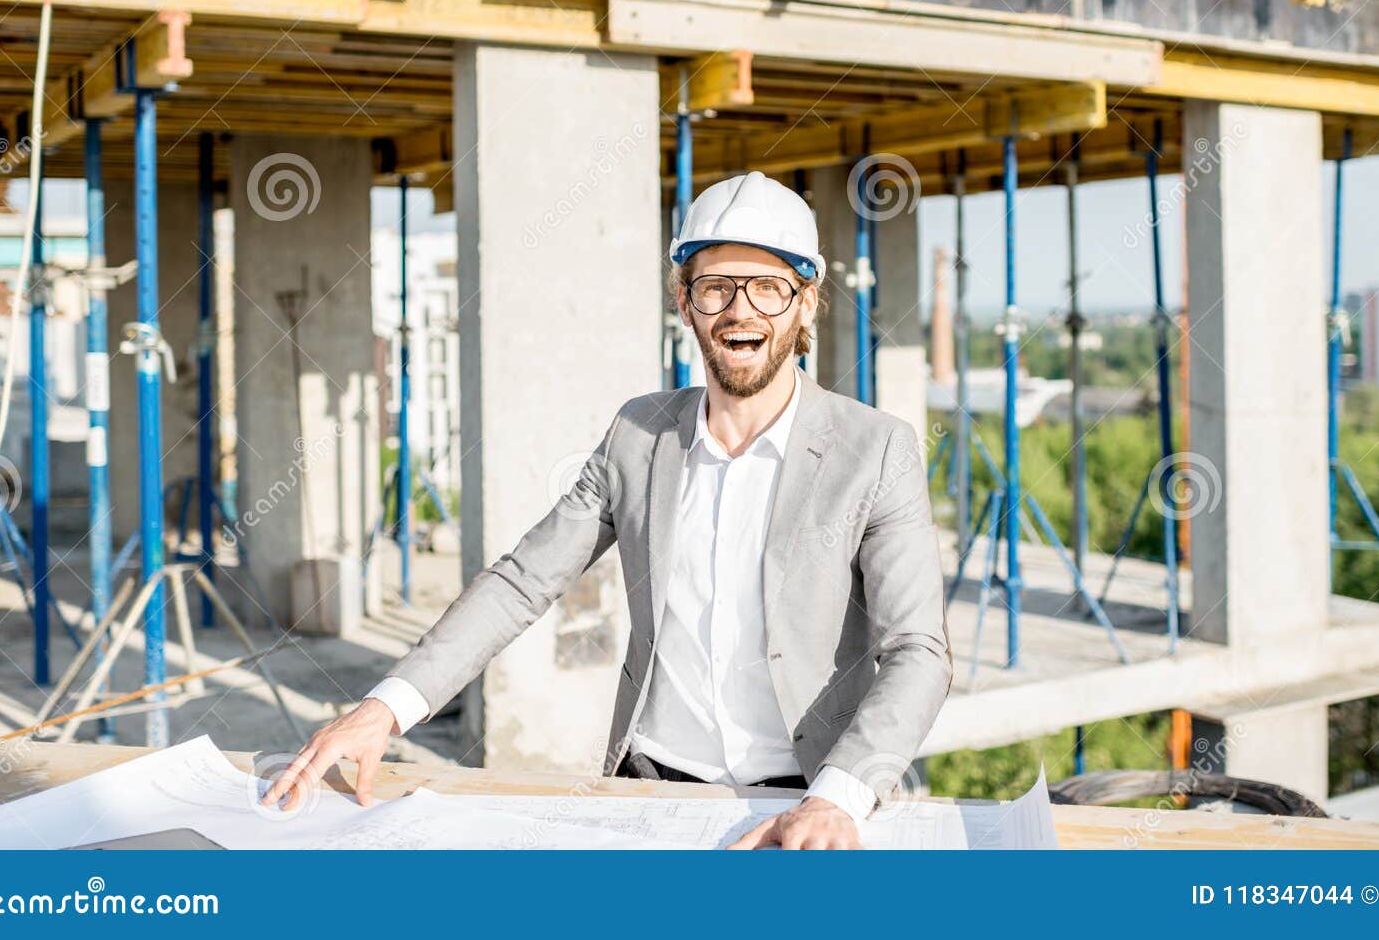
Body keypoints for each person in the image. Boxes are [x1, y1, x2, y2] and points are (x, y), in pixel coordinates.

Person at [264, 170, 951, 849]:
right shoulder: (638, 435)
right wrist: (387, 707)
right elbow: (521, 582)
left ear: (805, 304)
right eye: (716, 287)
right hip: (652, 789)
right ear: (686, 303)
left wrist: (837, 798)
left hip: (809, 799)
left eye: (769, 288)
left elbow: (916, 652)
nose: (741, 310)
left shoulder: (875, 449)